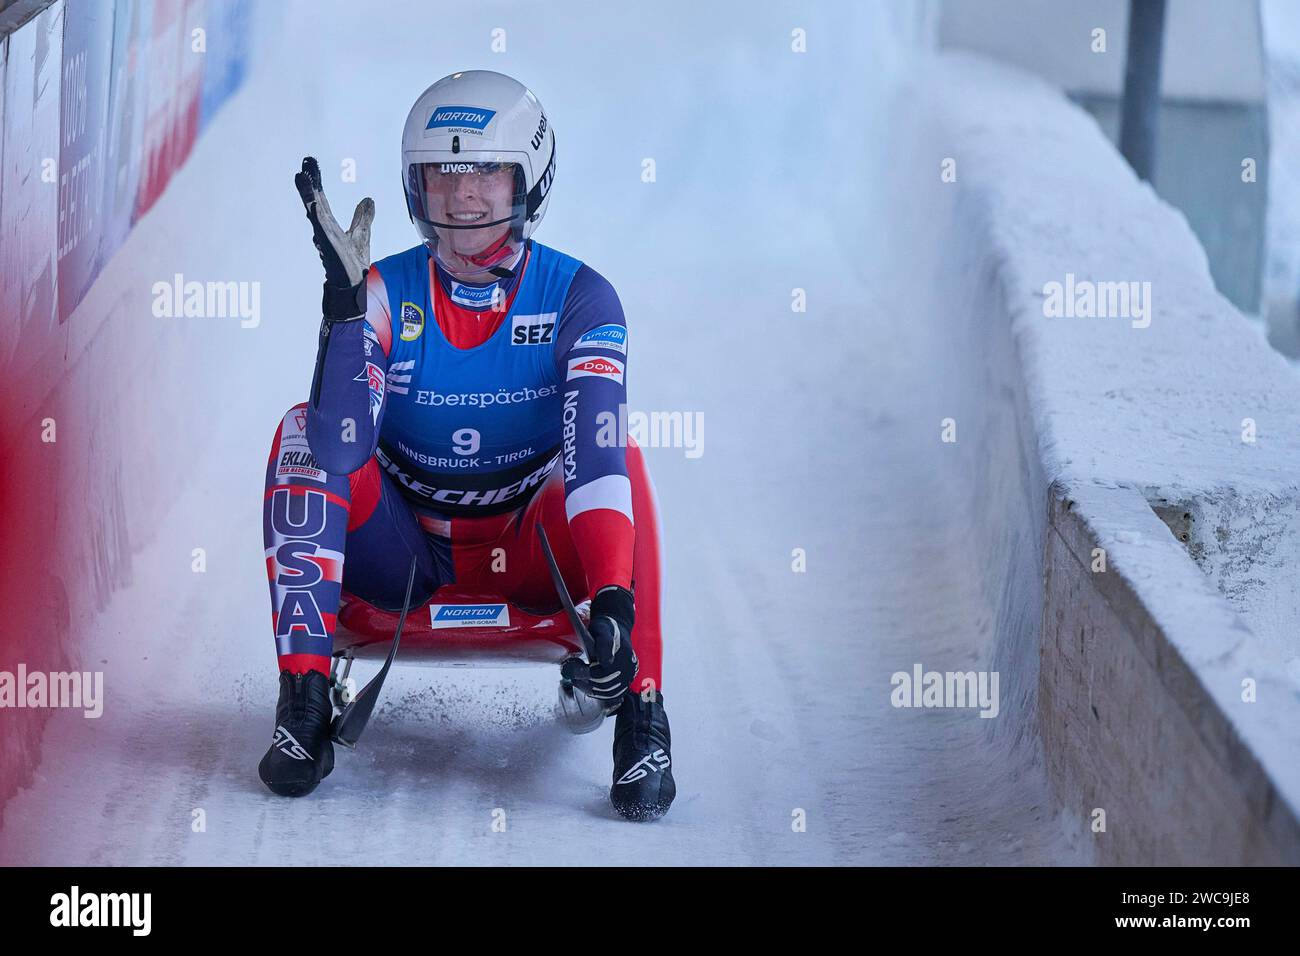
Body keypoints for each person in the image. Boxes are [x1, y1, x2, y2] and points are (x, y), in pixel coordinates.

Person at [256, 70, 675, 821]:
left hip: (532, 556)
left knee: (625, 452)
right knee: (299, 434)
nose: (464, 194)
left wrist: (608, 598)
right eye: (442, 174)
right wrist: (344, 315)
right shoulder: (382, 290)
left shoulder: (582, 298)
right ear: (417, 187)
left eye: (486, 170)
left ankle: (642, 711)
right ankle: (306, 700)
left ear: (528, 180)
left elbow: (598, 459)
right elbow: (340, 445)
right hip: (402, 557)